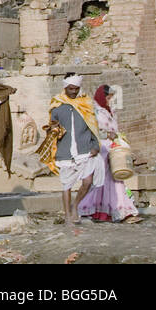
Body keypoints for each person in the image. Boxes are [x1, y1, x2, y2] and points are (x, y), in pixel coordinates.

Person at [77, 84, 140, 223]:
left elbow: (115, 129)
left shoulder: (111, 111)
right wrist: (106, 134)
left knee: (116, 180)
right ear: (102, 97)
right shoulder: (95, 112)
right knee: (101, 181)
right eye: (108, 98)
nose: (109, 100)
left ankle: (122, 210)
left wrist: (119, 138)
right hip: (101, 149)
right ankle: (88, 208)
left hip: (112, 150)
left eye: (111, 98)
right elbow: (91, 131)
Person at [46, 75, 103, 225]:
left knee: (88, 181)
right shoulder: (57, 106)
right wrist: (54, 130)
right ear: (65, 88)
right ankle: (67, 215)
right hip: (65, 151)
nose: (73, 92)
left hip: (84, 150)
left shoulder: (86, 104)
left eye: (76, 89)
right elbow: (51, 128)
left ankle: (75, 206)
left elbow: (93, 126)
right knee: (67, 186)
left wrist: (95, 146)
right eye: (70, 89)